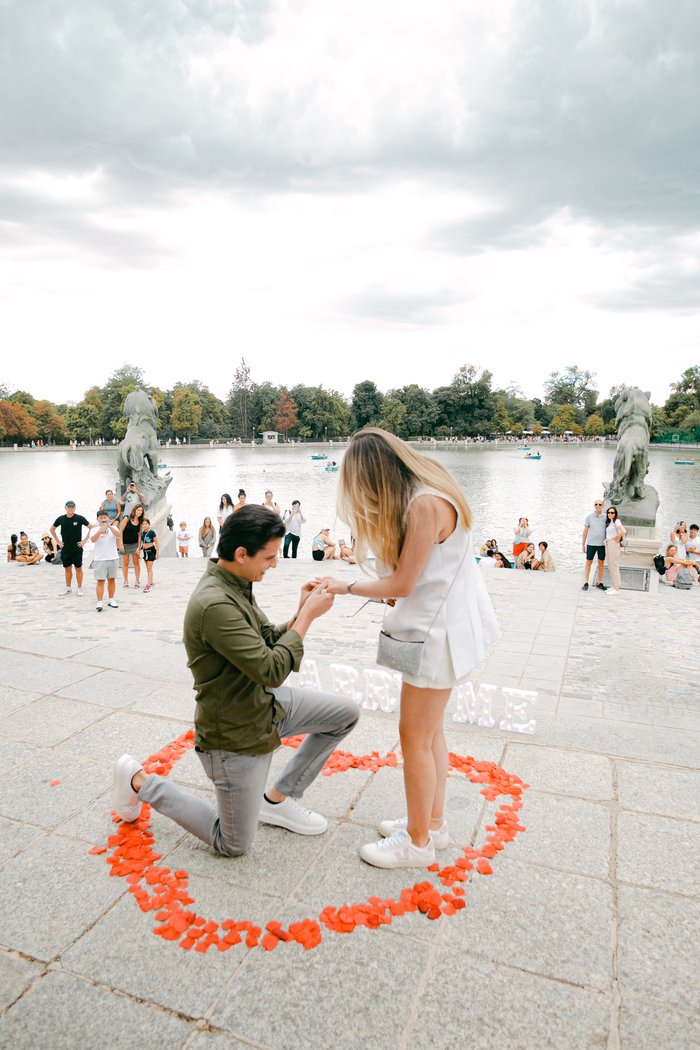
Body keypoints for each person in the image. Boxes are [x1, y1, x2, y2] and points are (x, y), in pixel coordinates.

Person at [111, 506, 360, 857]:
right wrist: (306, 617)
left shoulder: (235, 582)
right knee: (233, 844)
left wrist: (298, 611)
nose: (274, 564)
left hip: (264, 703)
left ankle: (276, 799)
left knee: (345, 713)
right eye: (270, 556)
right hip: (233, 733)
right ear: (241, 554)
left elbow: (264, 639)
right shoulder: (214, 603)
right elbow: (271, 669)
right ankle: (141, 781)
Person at [323, 429, 500, 869]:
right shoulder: (434, 487)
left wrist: (342, 585)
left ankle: (417, 842)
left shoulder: (422, 505)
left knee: (415, 737)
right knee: (432, 733)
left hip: (435, 637)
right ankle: (432, 824)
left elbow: (401, 585)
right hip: (448, 628)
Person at [51, 501, 91, 595]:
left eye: (72, 507)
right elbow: (52, 529)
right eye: (69, 507)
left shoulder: (79, 518)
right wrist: (58, 541)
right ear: (65, 508)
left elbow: (91, 528)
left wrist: (84, 541)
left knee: (78, 568)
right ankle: (68, 587)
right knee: (67, 569)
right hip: (65, 548)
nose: (70, 509)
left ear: (75, 508)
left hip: (76, 548)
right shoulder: (61, 519)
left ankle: (79, 588)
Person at [89, 510, 121, 611]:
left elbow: (118, 535)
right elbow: (93, 540)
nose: (103, 519)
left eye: (105, 517)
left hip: (113, 557)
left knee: (112, 579)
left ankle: (111, 599)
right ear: (97, 519)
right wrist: (100, 530)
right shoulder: (94, 530)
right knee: (100, 581)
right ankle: (99, 601)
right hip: (100, 558)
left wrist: (109, 526)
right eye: (101, 517)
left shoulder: (113, 528)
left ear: (108, 518)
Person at [582, 499, 608, 591]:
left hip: (602, 544)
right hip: (591, 543)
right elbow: (585, 531)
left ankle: (599, 583)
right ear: (594, 505)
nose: (598, 506)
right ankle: (586, 582)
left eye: (600, 504)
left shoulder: (606, 517)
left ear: (603, 506)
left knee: (601, 563)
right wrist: (583, 544)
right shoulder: (589, 517)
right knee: (588, 562)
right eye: (596, 504)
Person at [120, 504, 144, 586]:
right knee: (125, 562)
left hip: (135, 544)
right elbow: (120, 532)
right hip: (125, 543)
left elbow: (140, 535)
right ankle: (126, 581)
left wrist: (138, 547)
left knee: (136, 562)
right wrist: (121, 544)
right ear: (134, 510)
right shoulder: (127, 518)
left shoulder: (140, 521)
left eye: (141, 511)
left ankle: (137, 581)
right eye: (138, 510)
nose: (140, 512)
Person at [605, 507, 627, 596]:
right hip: (608, 544)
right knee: (610, 565)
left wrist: (617, 537)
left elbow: (623, 531)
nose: (610, 514)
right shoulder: (610, 523)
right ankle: (614, 585)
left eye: (612, 512)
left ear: (615, 513)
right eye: (609, 512)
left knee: (614, 566)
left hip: (613, 544)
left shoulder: (617, 521)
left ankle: (616, 588)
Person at [141, 518, 159, 592]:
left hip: (151, 550)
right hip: (145, 551)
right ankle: (151, 582)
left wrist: (157, 552)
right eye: (143, 524)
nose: (144, 525)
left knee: (149, 568)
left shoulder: (151, 532)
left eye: (146, 524)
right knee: (148, 568)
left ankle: (148, 584)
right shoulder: (142, 533)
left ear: (149, 524)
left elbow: (156, 542)